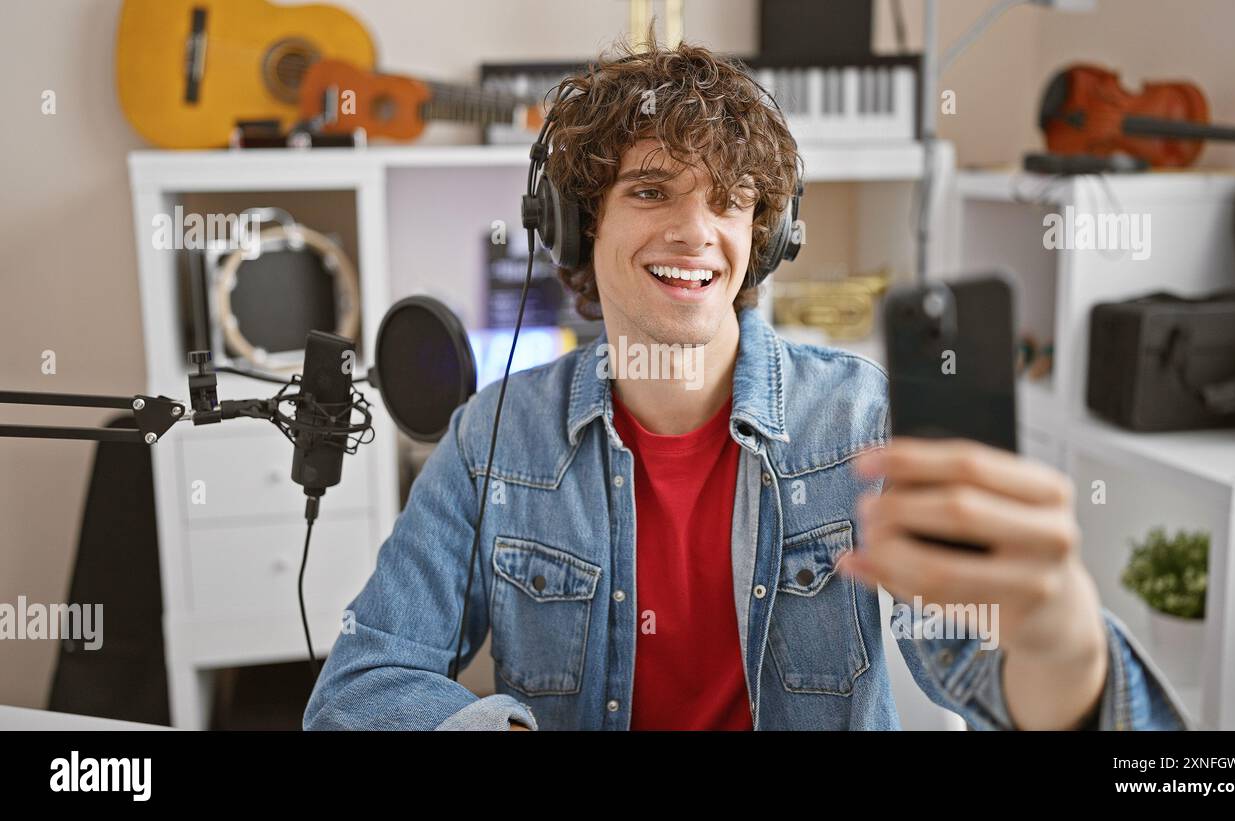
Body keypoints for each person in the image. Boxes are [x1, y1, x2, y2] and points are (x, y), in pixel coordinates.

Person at [304, 34, 1190, 731]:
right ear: (575, 227)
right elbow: (360, 683)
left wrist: (1066, 658)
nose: (697, 231)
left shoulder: (859, 420)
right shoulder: (493, 437)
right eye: (651, 190)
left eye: (730, 200)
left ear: (764, 237)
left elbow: (986, 664)